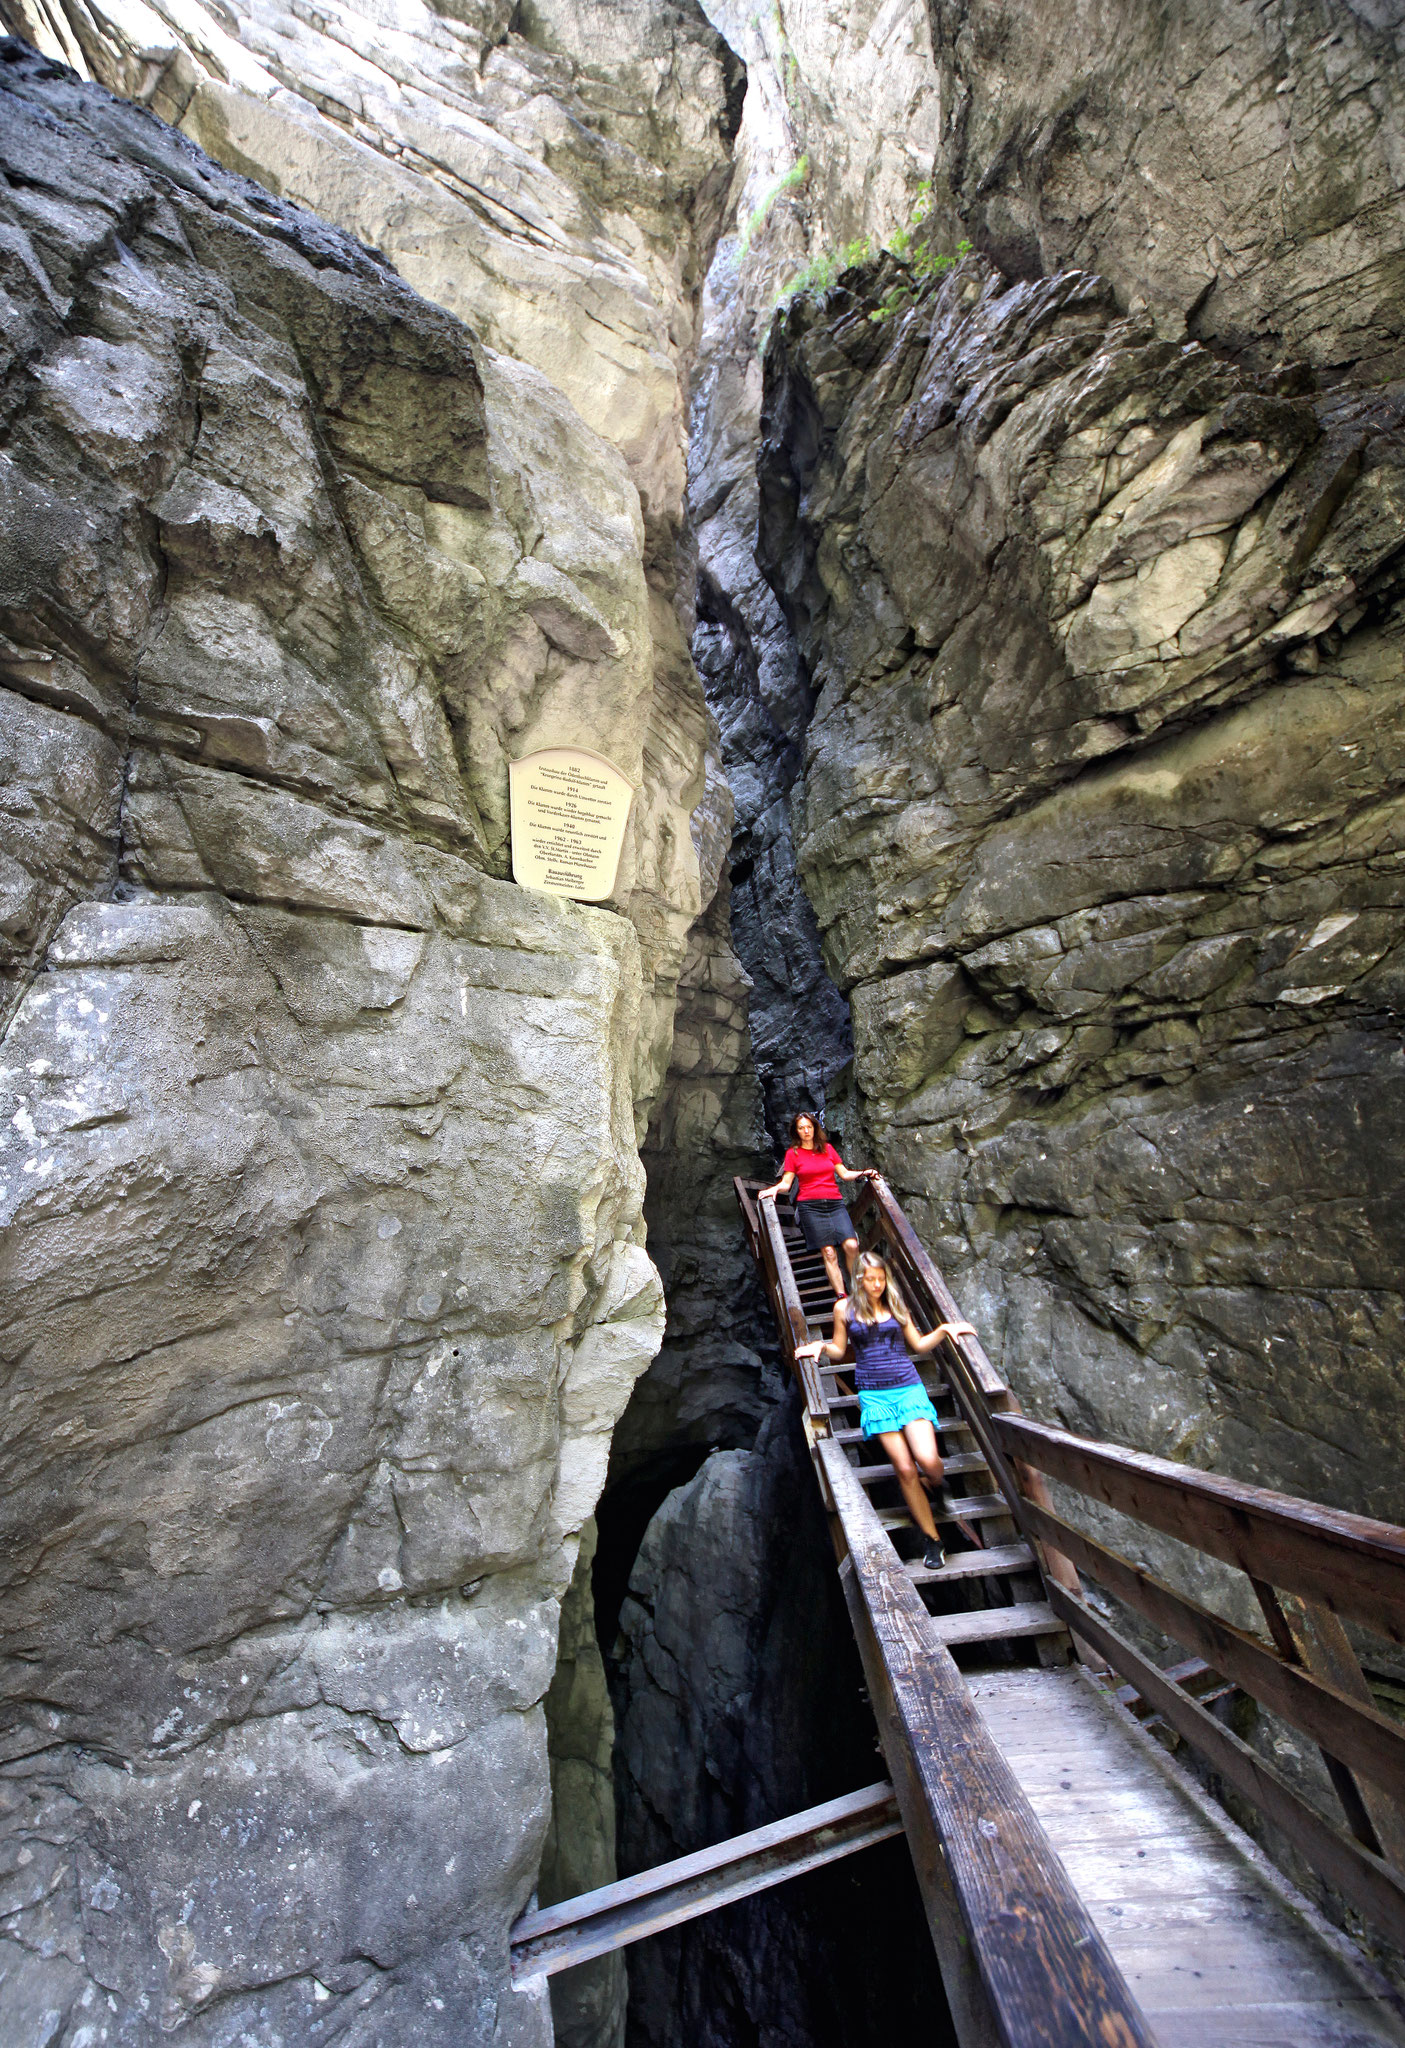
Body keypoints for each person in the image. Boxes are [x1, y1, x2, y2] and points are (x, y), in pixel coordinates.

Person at [797, 1250, 975, 1571]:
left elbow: (918, 1344)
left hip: (908, 1389)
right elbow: (839, 1349)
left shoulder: (895, 1304)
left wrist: (944, 1330)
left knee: (928, 1460)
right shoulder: (844, 1309)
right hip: (874, 1397)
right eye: (871, 1279)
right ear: (859, 1280)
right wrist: (819, 1346)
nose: (877, 1285)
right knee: (905, 1468)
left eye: (881, 1279)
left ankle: (937, 1484)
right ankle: (932, 1540)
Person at [756, 1111, 874, 1297]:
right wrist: (774, 1189)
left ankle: (858, 1292)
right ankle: (842, 1296)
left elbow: (844, 1174)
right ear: (796, 1131)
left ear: (815, 1128)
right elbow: (787, 1183)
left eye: (809, 1127)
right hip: (810, 1207)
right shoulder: (793, 1154)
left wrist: (864, 1172)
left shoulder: (828, 1149)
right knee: (828, 1252)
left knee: (851, 1245)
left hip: (834, 1204)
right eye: (801, 1128)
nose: (806, 1131)